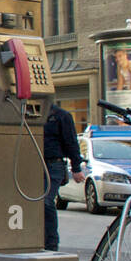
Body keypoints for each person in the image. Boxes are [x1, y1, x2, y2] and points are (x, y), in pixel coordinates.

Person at [43, 100, 86, 251]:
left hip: (54, 164)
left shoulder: (61, 116)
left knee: (46, 201)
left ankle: (51, 243)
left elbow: (71, 142)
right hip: (36, 163)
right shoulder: (30, 115)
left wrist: (76, 167)